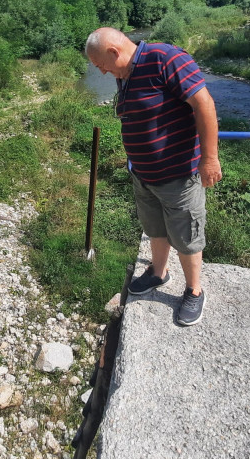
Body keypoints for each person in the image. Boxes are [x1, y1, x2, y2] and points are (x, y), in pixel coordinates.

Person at [85, 27, 222, 325]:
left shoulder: (165, 59)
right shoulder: (125, 73)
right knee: (155, 228)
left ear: (114, 52)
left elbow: (204, 104)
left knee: (186, 235)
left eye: (101, 66)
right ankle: (158, 273)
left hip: (178, 174)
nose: (103, 72)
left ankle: (194, 291)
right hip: (143, 173)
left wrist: (210, 158)